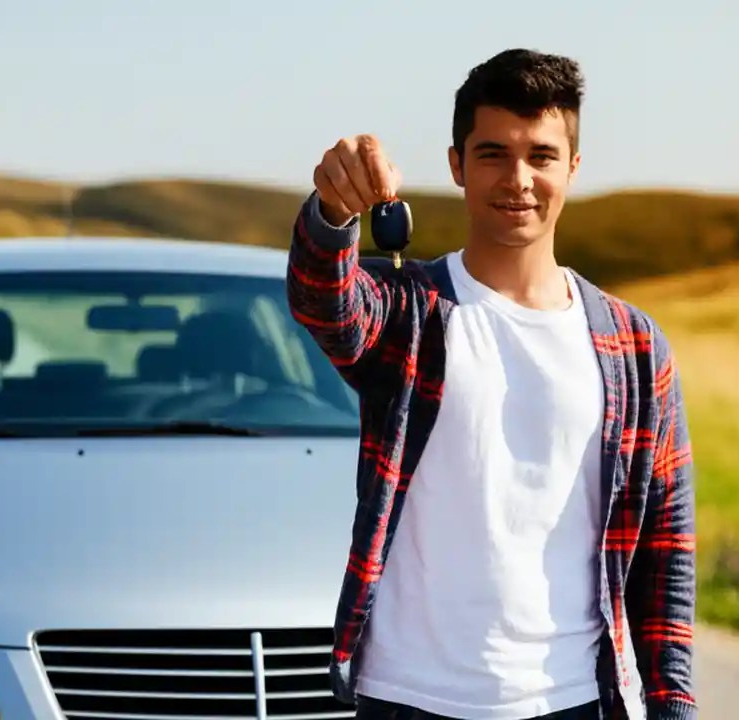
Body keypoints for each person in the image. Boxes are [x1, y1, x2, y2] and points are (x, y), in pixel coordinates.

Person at [286, 48, 696, 720]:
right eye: (492, 154)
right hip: (408, 697)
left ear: (573, 167)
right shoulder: (410, 312)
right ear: (456, 165)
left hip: (576, 699)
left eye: (541, 155)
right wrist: (332, 211)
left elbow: (667, 557)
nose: (519, 178)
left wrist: (673, 706)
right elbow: (321, 301)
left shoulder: (636, 346)